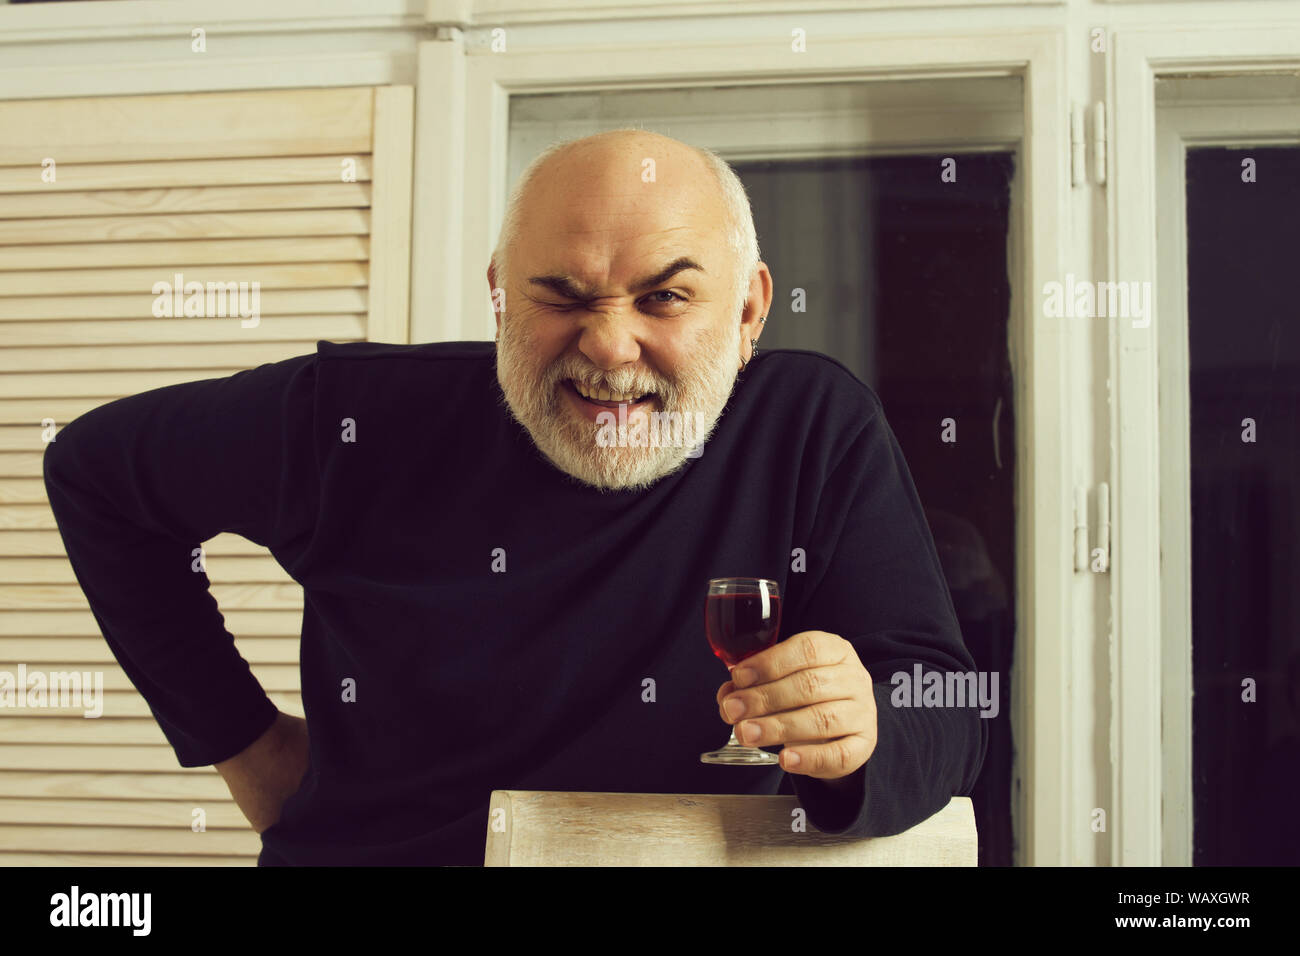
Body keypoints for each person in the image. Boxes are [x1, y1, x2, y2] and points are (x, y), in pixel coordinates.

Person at [43, 129, 986, 865]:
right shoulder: (356, 419)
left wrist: (862, 731)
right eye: (563, 297)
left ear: (747, 312)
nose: (610, 348)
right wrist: (241, 745)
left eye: (664, 299)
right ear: (499, 298)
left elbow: (943, 716)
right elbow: (94, 472)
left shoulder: (811, 425)